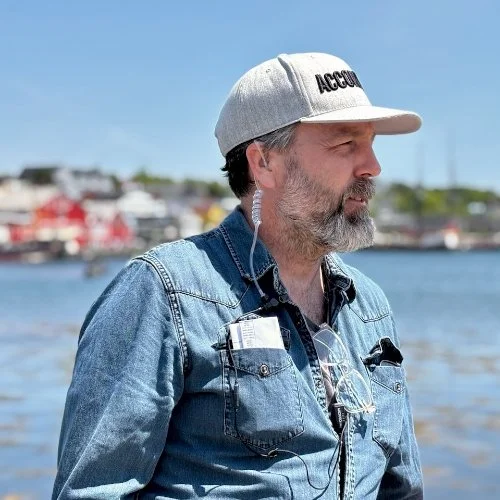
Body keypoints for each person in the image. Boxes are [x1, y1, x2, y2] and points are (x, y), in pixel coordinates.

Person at [53, 52, 424, 499]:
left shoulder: (369, 306)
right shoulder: (164, 294)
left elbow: (401, 488)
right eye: (346, 144)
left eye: (371, 143)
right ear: (263, 162)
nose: (372, 166)